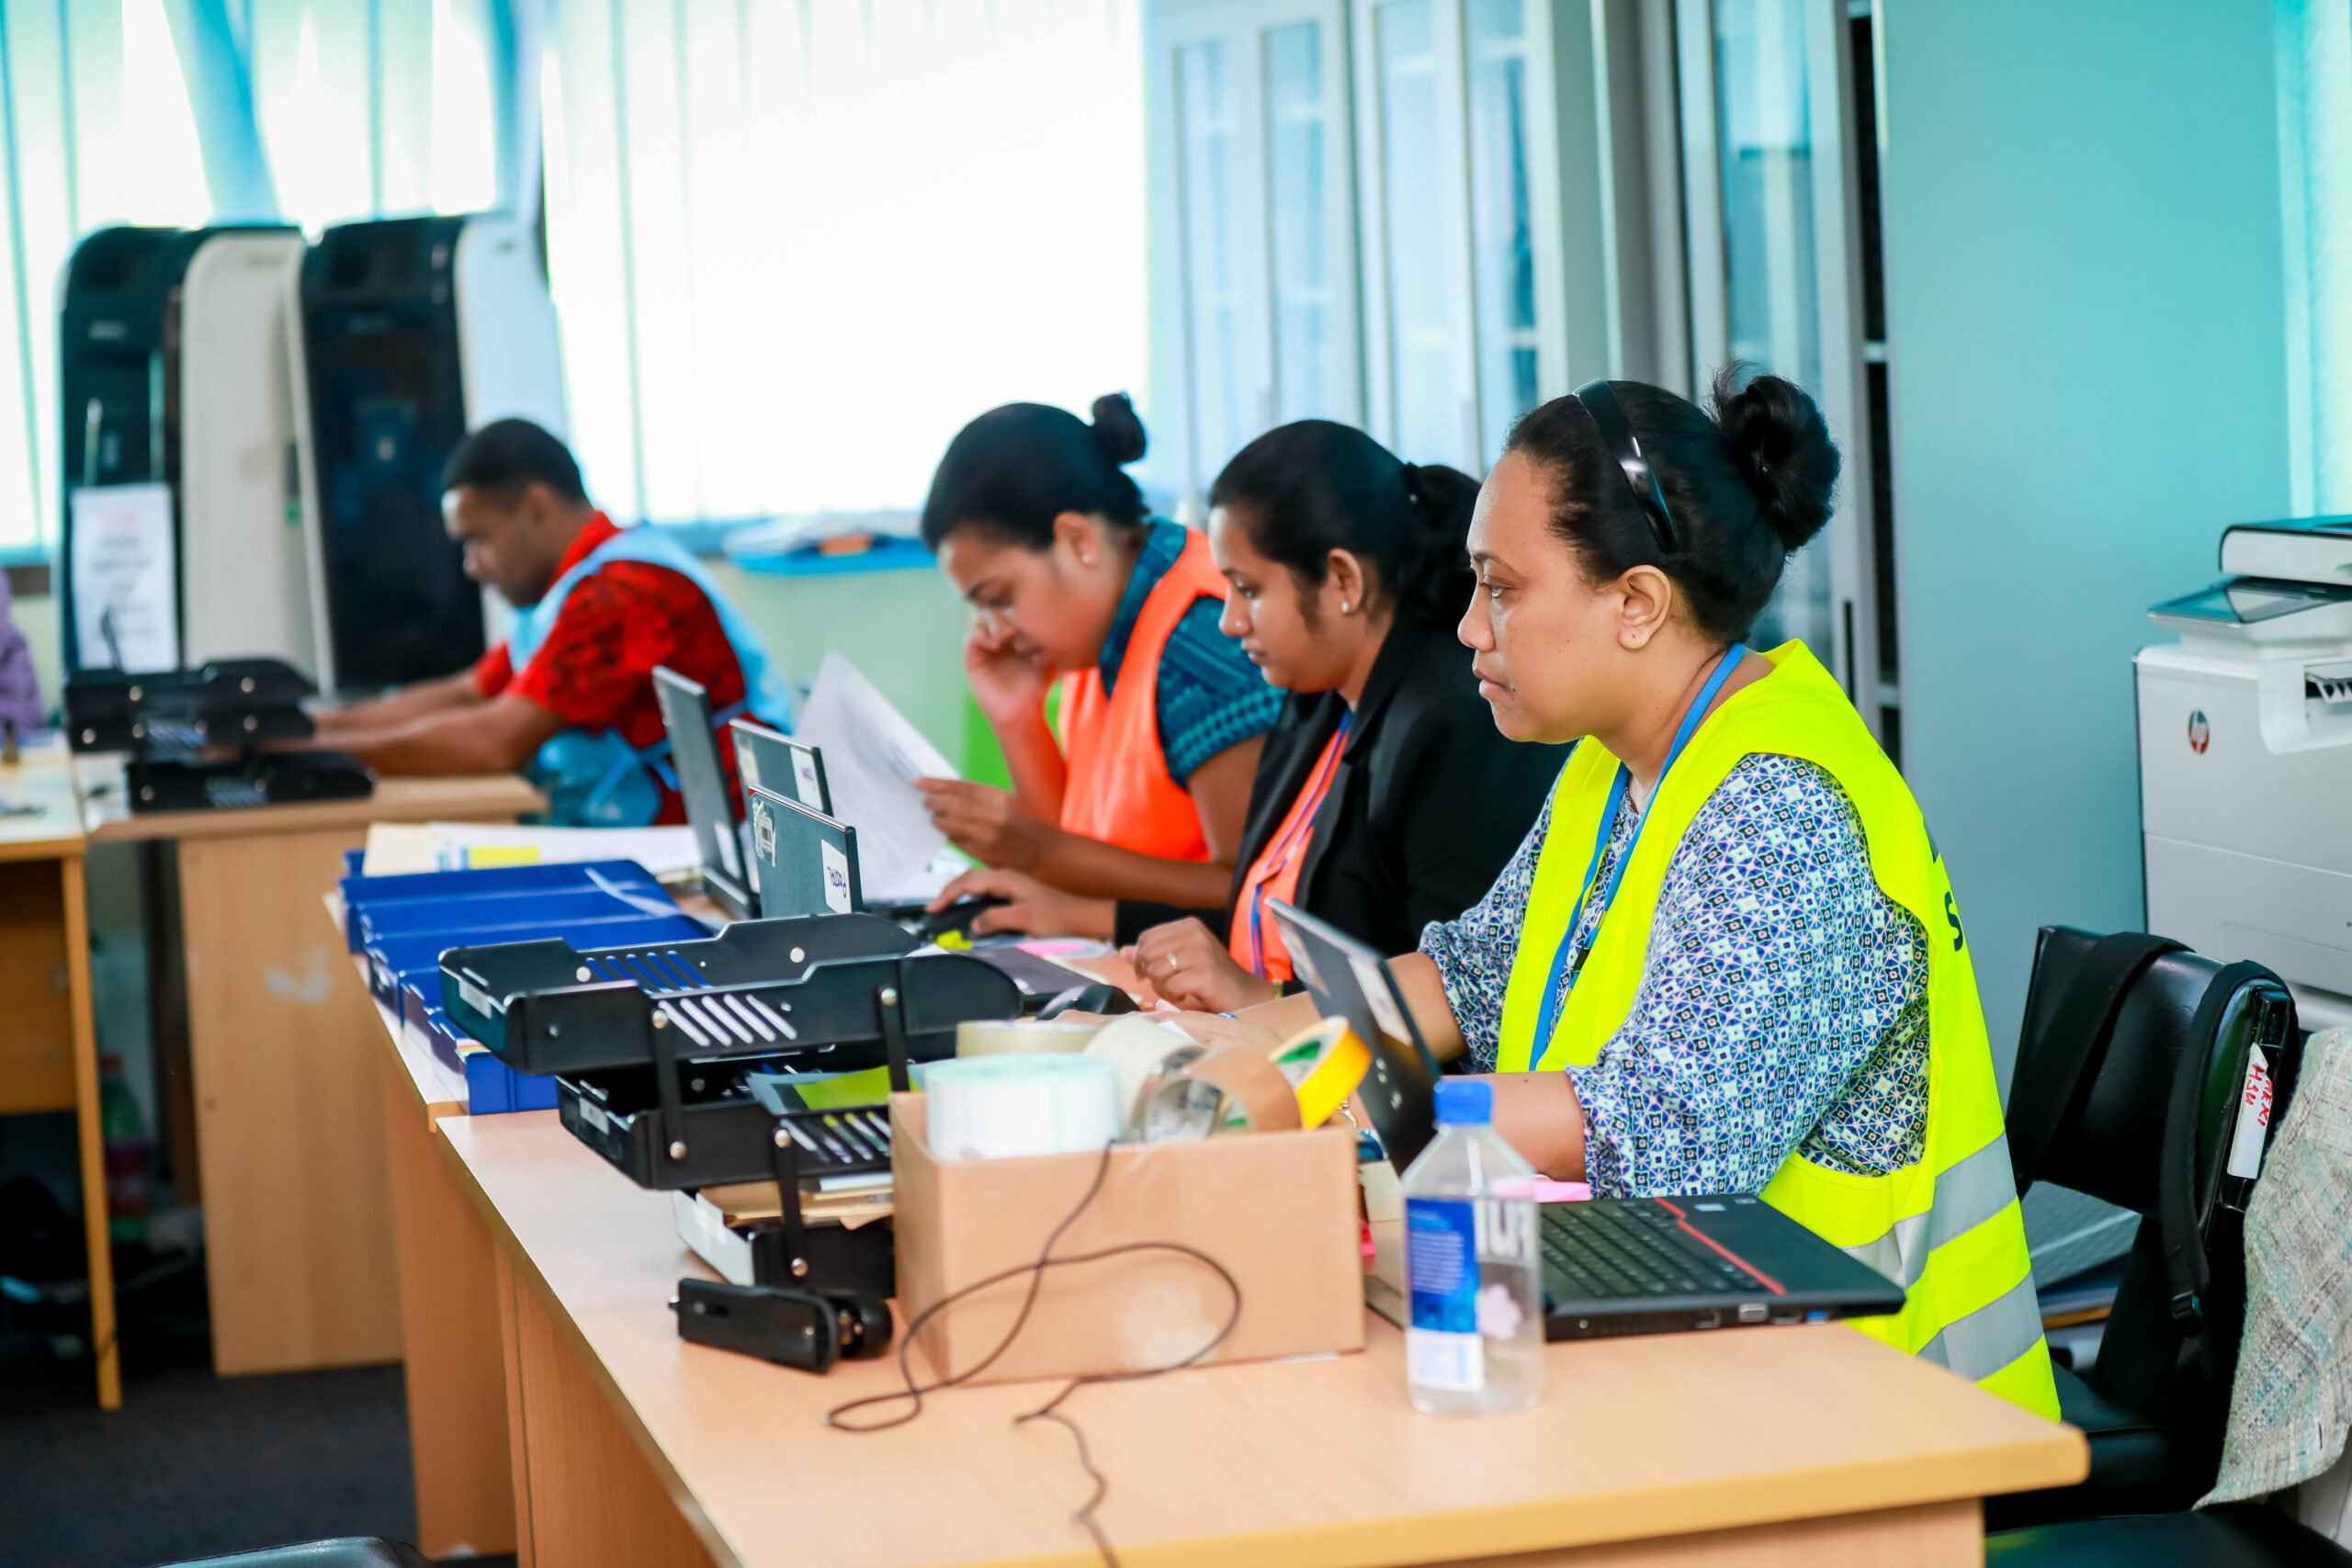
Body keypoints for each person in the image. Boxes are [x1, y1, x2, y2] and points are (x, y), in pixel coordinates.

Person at [1172, 370, 2059, 1418]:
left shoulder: (1782, 804)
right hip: (1693, 1342)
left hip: (1876, 1404)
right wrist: (1217, 1055)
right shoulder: (1614, 765)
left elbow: (1664, 1130)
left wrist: (1338, 1110)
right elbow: (1469, 975)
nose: (1465, 628)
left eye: (1499, 587)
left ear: (1636, 603)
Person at [937, 421, 1565, 1013]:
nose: (1230, 621)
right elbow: (1256, 906)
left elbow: (1451, 1003)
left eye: (1250, 590)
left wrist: (1257, 1003)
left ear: (1342, 580)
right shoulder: (1315, 693)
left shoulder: (1448, 727)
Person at [308, 419, 787, 825]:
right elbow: (472, 690)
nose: (471, 567)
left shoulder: (622, 593)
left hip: (725, 844)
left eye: (478, 540)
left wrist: (315, 752)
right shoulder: (572, 588)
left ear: (536, 507)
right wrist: (319, 727)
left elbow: (493, 741)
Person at [916, 395, 1279, 909]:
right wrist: (1018, 718)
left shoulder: (1200, 641)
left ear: (1076, 539)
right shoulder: (1100, 628)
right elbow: (1074, 854)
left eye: (999, 599)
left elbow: (1252, 895)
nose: (995, 629)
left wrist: (1042, 857)